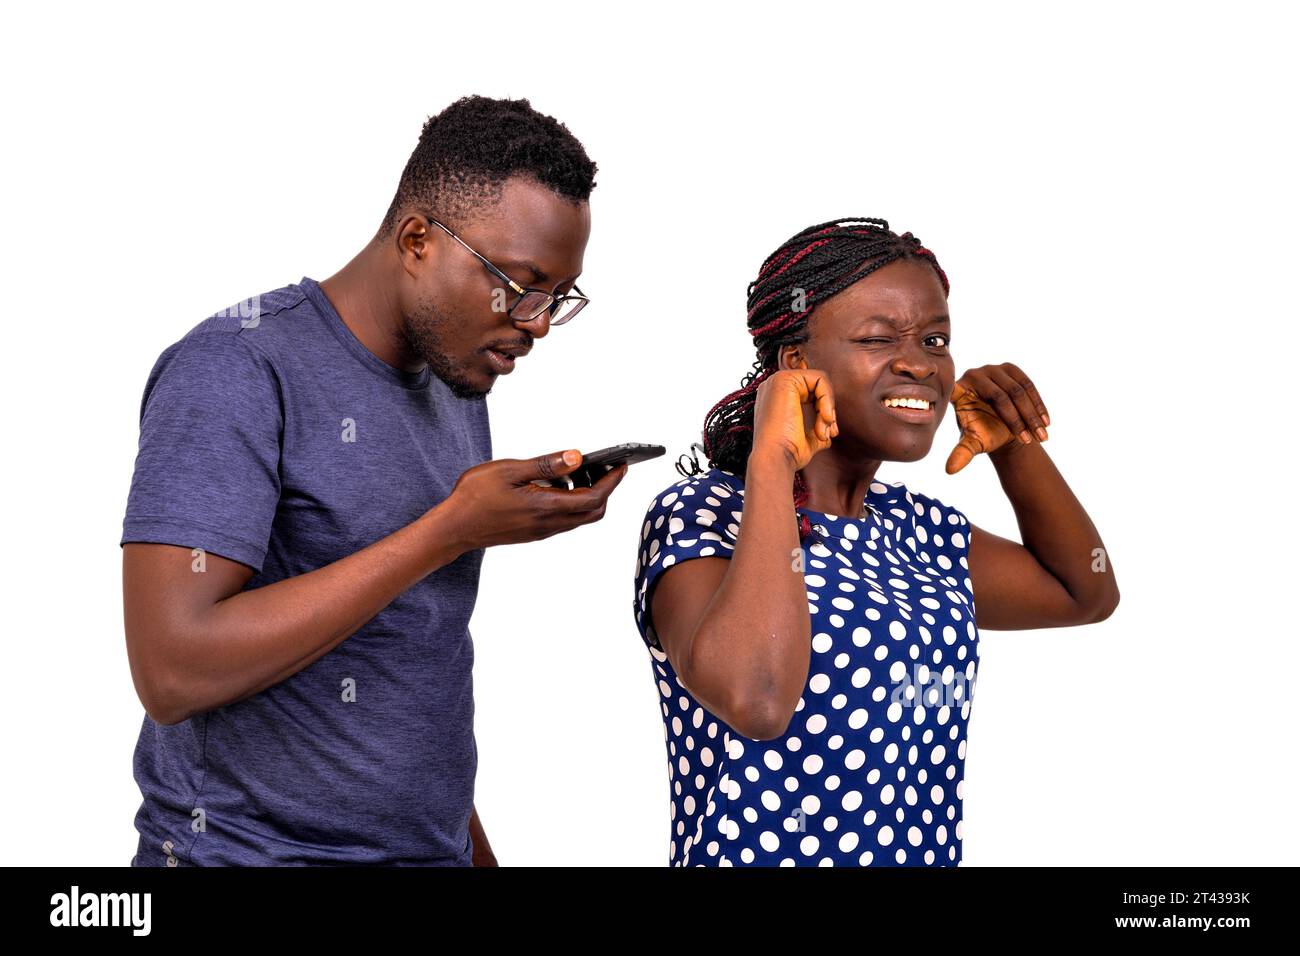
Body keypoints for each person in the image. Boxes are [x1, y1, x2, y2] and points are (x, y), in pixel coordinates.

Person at [121, 95, 627, 866]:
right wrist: (449, 530)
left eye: (557, 295)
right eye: (516, 285)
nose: (536, 321)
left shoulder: (452, 386)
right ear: (418, 239)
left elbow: (404, 681)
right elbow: (172, 667)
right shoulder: (236, 368)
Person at [632, 217, 1120, 866]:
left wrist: (1014, 447)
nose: (918, 363)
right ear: (796, 366)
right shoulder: (703, 514)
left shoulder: (919, 530)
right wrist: (773, 460)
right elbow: (757, 698)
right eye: (876, 338)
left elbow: (1083, 590)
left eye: (935, 338)